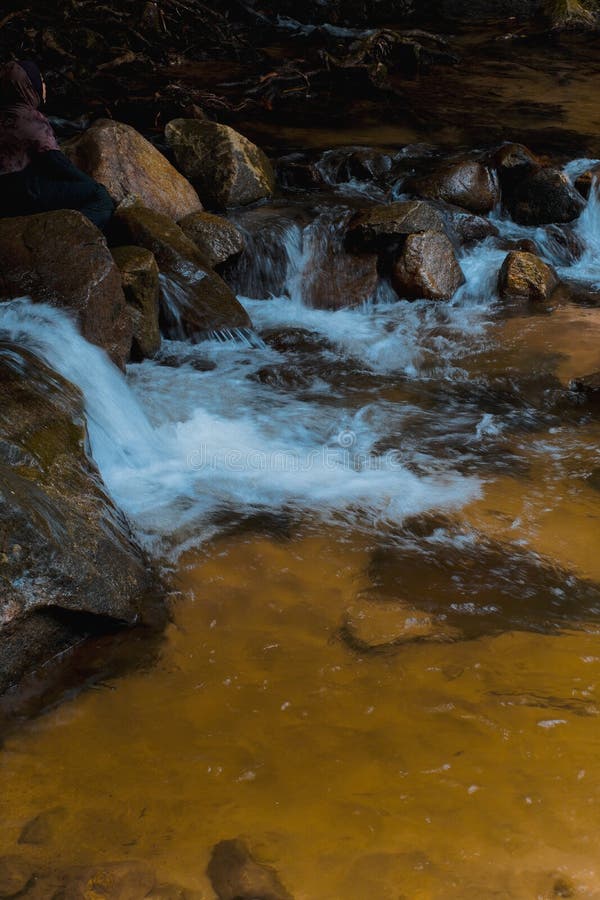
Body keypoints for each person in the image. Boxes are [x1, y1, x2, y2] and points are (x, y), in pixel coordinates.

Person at [0, 60, 114, 230]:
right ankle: (71, 236)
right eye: (40, 80)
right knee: (100, 197)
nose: (44, 85)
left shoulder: (5, 113)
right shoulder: (28, 118)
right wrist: (92, 184)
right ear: (29, 86)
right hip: (20, 194)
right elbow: (57, 164)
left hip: (7, 193)